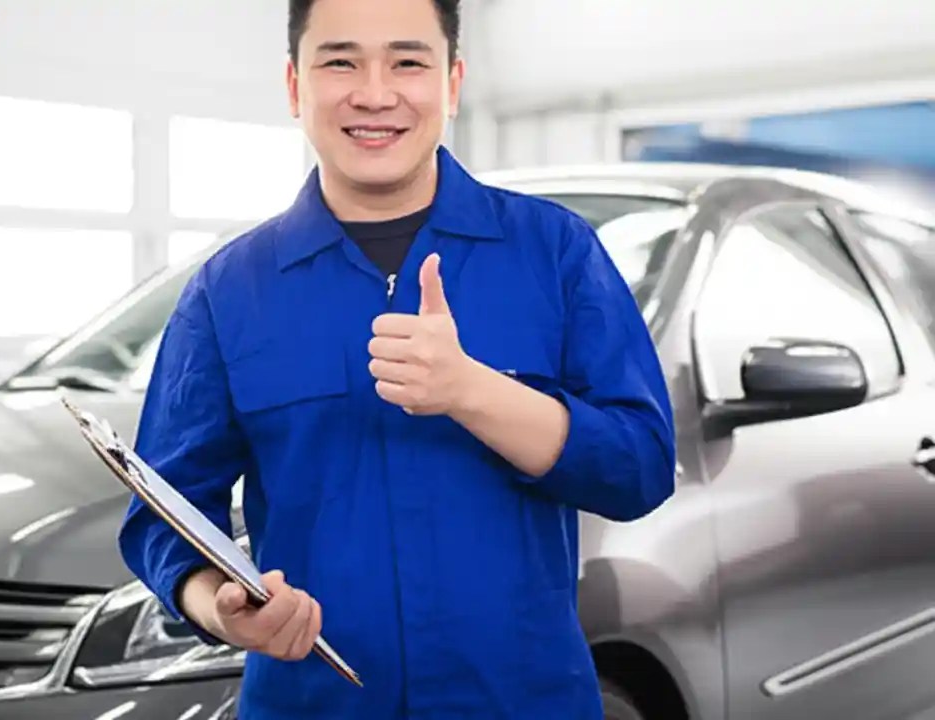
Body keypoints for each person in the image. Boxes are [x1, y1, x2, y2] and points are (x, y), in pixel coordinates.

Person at [117, 0, 676, 716]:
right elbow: (163, 511)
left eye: (408, 62)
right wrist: (221, 608)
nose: (375, 93)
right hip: (311, 704)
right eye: (340, 61)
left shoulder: (556, 252)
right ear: (294, 85)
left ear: (452, 83)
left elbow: (639, 469)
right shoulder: (229, 291)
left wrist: (472, 391)